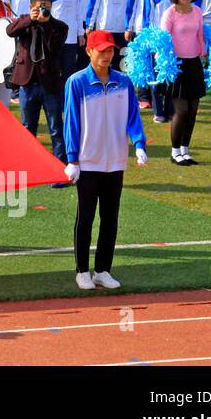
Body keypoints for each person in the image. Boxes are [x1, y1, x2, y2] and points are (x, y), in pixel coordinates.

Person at [62, 29, 148, 290]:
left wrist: (140, 144)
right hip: (87, 162)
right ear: (89, 51)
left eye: (110, 50)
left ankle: (103, 270)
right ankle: (82, 271)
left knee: (110, 218)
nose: (107, 55)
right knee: (86, 217)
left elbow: (133, 115)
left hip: (115, 160)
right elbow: (71, 123)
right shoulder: (76, 83)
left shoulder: (123, 82)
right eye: (102, 50)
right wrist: (72, 159)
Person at [7, 0, 69, 165]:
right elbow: (9, 31)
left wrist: (46, 24)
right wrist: (30, 19)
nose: (43, 11)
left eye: (47, 7)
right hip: (28, 83)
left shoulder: (60, 26)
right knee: (27, 128)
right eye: (40, 7)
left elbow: (54, 47)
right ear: (31, 7)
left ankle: (60, 167)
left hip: (50, 84)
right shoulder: (24, 22)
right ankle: (29, 165)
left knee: (56, 128)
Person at [160, 0, 207, 166]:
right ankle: (175, 150)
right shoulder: (169, 13)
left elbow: (200, 35)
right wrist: (165, 64)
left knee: (193, 110)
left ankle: (186, 150)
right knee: (181, 110)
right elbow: (163, 40)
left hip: (194, 63)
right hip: (176, 65)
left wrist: (204, 53)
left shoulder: (197, 11)